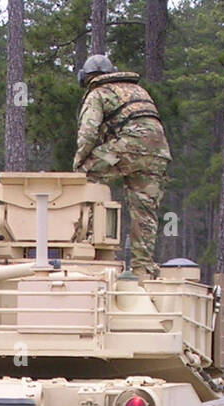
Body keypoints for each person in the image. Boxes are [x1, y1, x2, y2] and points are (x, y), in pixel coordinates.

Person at [72, 54, 171, 279]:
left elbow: (88, 132)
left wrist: (79, 161)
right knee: (144, 212)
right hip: (158, 154)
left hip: (128, 148)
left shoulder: (98, 93)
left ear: (85, 78)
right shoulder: (139, 91)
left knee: (83, 176)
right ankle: (143, 269)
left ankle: (85, 246)